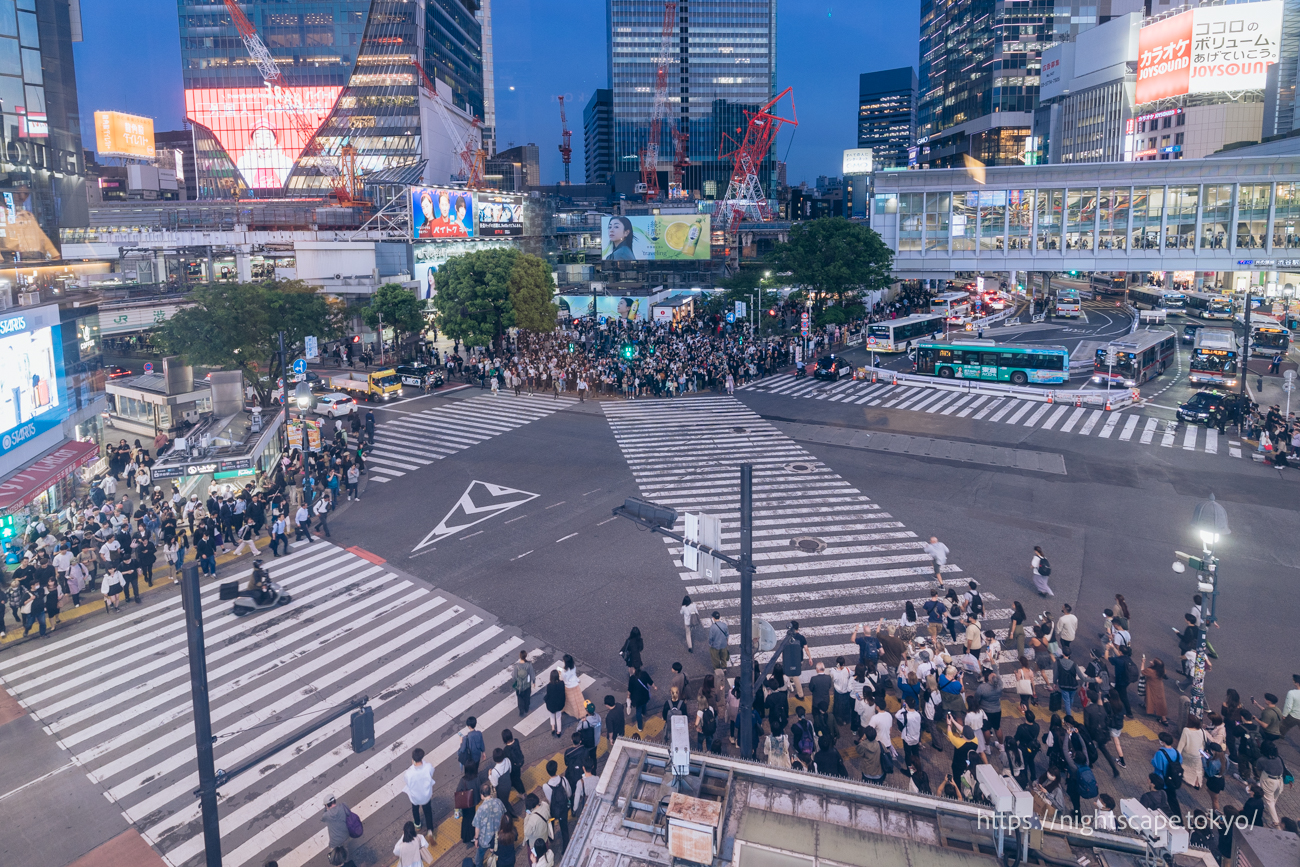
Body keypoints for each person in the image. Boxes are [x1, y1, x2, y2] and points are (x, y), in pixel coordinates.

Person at [403, 747, 436, 831]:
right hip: (426, 795)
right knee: (428, 812)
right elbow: (431, 774)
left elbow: (407, 783)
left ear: (413, 759)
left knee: (415, 809)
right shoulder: (428, 767)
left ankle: (417, 824)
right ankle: (430, 829)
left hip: (415, 796)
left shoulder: (409, 773)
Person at [473, 782, 505, 867]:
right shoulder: (498, 802)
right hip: (497, 837)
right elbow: (504, 816)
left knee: (479, 858)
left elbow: (477, 827)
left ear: (482, 795)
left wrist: (476, 839)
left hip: (484, 839)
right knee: (496, 854)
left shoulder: (481, 809)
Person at [322, 795, 352, 865]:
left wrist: (326, 809)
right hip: (345, 836)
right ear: (334, 801)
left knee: (335, 855)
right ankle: (345, 860)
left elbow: (323, 819)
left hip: (334, 841)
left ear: (326, 805)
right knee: (345, 848)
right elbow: (348, 814)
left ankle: (339, 864)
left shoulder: (326, 815)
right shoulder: (343, 806)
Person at [1141, 655, 1170, 726]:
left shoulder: (1150, 671)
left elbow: (1142, 671)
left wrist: (1143, 662)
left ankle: (1163, 718)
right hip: (1159, 687)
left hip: (1151, 686)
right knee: (1160, 699)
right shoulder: (1162, 670)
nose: (1150, 661)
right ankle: (1163, 718)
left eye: (1152, 662)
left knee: (1155, 700)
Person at [456, 769, 480, 845]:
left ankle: (465, 836)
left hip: (465, 804)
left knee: (465, 819)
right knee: (472, 819)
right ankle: (472, 835)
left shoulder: (463, 780)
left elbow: (458, 790)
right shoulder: (476, 778)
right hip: (473, 803)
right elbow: (479, 788)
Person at [510, 651, 536, 716]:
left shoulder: (516, 666)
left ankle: (521, 711)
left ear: (520, 656)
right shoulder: (529, 665)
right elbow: (532, 673)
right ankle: (526, 708)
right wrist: (533, 681)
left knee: (520, 698)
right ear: (526, 656)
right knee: (527, 697)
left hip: (519, 686)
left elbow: (514, 676)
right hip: (527, 685)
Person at [544, 669, 567, 737]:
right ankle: (559, 731)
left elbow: (548, 695)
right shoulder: (562, 683)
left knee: (552, 715)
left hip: (551, 704)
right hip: (559, 704)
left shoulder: (549, 686)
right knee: (558, 717)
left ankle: (553, 728)